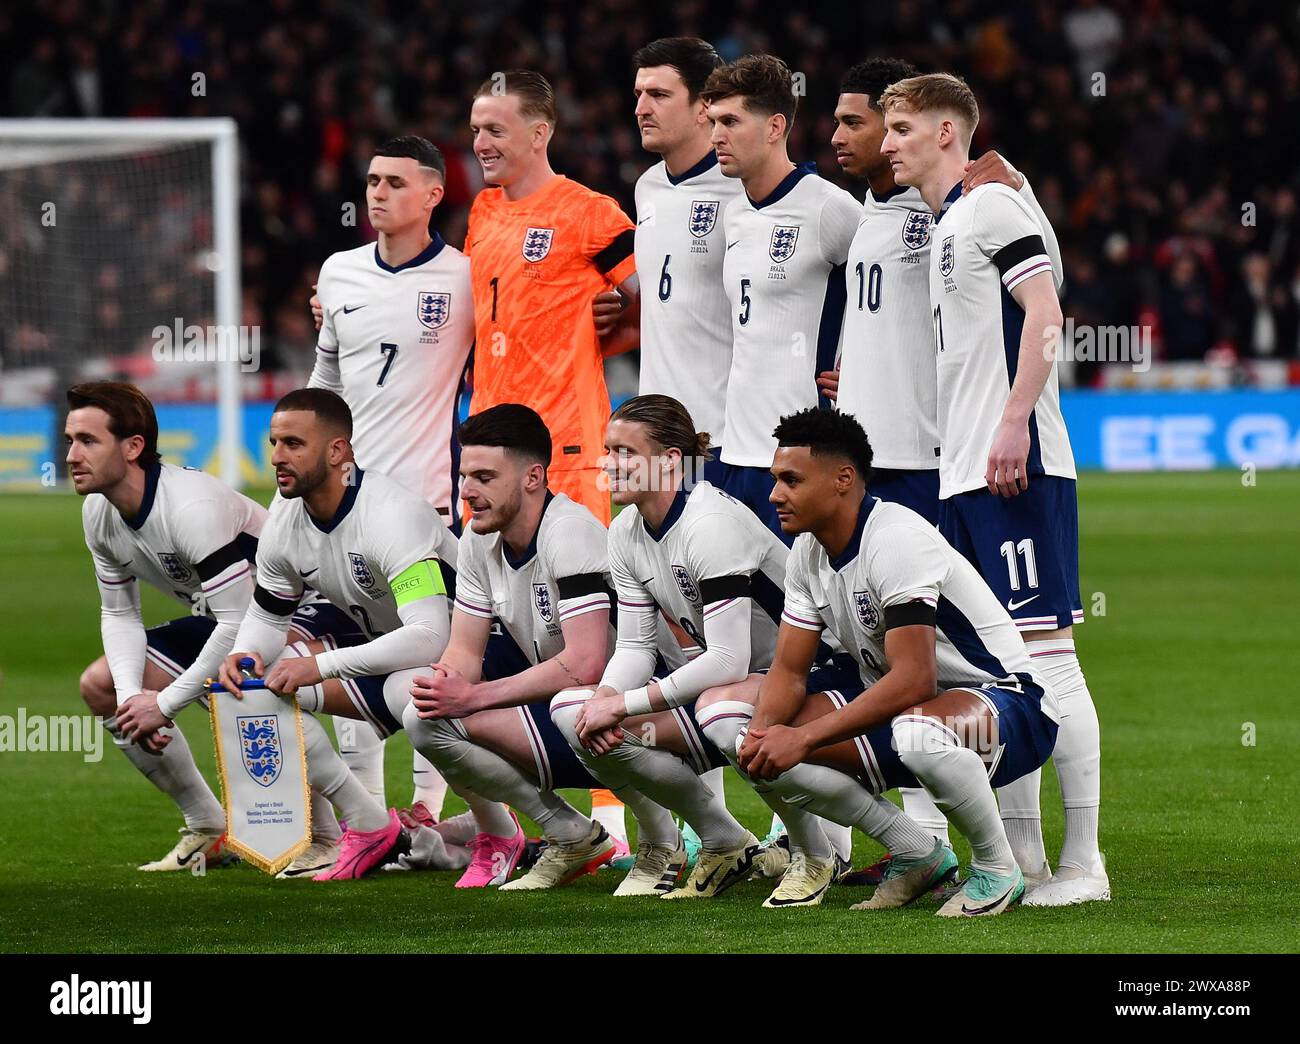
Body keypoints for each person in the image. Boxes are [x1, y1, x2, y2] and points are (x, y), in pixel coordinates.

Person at [829, 57, 1063, 881]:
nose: (852, 138)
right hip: (882, 468)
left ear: (939, 134)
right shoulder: (866, 217)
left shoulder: (967, 206)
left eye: (869, 124)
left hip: (938, 469)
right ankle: (927, 847)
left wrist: (1012, 422)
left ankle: (1036, 856)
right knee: (890, 660)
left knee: (993, 659)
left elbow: (1042, 295)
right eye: (866, 125)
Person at [881, 73, 1107, 905]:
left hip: (1016, 467)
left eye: (902, 126)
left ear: (948, 132)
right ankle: (1032, 864)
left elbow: (1046, 315)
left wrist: (1014, 421)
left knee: (1051, 662)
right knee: (1001, 673)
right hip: (967, 476)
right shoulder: (950, 220)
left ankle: (1086, 864)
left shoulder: (992, 211)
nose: (888, 140)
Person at [697, 407, 1061, 917]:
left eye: (791, 480)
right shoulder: (807, 552)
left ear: (844, 479)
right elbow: (789, 671)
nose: (775, 494)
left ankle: (997, 870)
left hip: (1006, 704)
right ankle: (916, 853)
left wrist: (801, 738)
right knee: (731, 726)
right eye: (775, 479)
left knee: (915, 733)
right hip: (901, 708)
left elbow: (915, 679)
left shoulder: (895, 537)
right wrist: (761, 737)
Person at [68, 381, 356, 871]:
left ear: (134, 447)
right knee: (100, 686)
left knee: (244, 677)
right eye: (70, 440)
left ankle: (329, 837)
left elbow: (242, 625)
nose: (72, 454)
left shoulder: (189, 507)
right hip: (230, 617)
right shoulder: (98, 512)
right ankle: (207, 826)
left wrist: (163, 703)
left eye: (88, 441)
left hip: (307, 607)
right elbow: (119, 613)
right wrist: (130, 697)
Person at [466, 70, 642, 848]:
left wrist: (622, 323)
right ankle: (551, 813)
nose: (481, 144)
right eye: (475, 129)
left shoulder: (590, 213)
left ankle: (625, 809)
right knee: (514, 637)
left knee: (589, 642)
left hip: (568, 453)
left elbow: (652, 306)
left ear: (540, 132)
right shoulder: (478, 211)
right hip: (491, 459)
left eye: (497, 129)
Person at [550, 395, 814, 902]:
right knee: (572, 712)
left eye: (625, 452)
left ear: (671, 460)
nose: (609, 464)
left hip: (808, 677)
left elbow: (728, 659)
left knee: (723, 712)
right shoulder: (626, 529)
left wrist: (622, 705)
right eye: (608, 451)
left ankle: (816, 851)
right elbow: (633, 644)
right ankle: (721, 839)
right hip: (734, 685)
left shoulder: (709, 521)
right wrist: (604, 700)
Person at [403, 405, 670, 890]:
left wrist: (475, 698)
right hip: (566, 711)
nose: (467, 491)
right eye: (464, 475)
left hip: (627, 715)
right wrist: (445, 683)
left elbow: (587, 663)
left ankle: (662, 838)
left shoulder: (568, 530)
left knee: (573, 706)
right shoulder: (476, 539)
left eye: (484, 477)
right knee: (421, 715)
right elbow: (463, 649)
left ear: (533, 477)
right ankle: (569, 833)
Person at [217, 387, 459, 880]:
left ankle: (499, 832)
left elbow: (432, 635)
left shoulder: (391, 514)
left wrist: (319, 665)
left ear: (337, 451)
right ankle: (361, 827)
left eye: (293, 444)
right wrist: (244, 653)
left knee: (412, 692)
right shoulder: (285, 520)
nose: (277, 457)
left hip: (476, 658)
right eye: (274, 442)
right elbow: (267, 616)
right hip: (400, 658)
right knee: (254, 692)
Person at [309, 134, 475, 834]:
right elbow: (325, 384)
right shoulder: (339, 273)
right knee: (348, 667)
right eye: (372, 182)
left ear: (434, 194)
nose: (377, 193)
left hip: (427, 516)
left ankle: (429, 813)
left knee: (427, 665)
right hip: (347, 516)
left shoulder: (466, 278)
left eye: (395, 183)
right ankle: (369, 825)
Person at [700, 54, 862, 540]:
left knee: (813, 612)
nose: (715, 136)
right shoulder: (735, 215)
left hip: (800, 460)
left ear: (774, 127)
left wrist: (860, 368)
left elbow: (890, 289)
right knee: (732, 614)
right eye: (711, 122)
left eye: (730, 121)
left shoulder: (828, 208)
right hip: (735, 454)